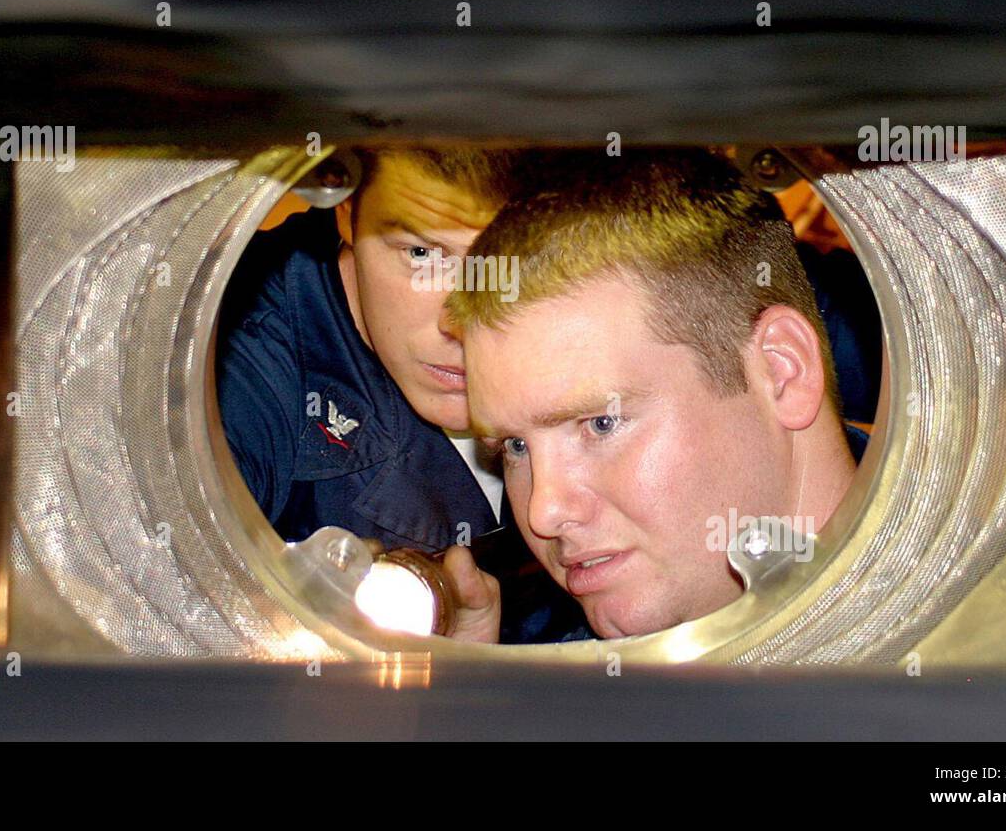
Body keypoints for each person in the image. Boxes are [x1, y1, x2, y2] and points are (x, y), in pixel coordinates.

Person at [440, 151, 864, 642]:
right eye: (514, 448)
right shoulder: (538, 679)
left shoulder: (962, 673)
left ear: (781, 371)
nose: (544, 512)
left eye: (600, 424)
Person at [215, 146, 586, 642]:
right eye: (422, 254)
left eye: (509, 265)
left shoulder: (606, 300)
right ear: (345, 208)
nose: (460, 323)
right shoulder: (232, 358)